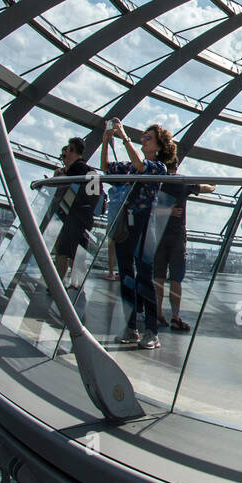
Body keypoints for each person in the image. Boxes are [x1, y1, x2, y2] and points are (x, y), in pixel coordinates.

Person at [101, 118, 172, 350]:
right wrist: (105, 141)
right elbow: (106, 167)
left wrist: (123, 135)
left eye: (148, 137)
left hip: (144, 223)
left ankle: (151, 330)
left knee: (144, 276)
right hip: (127, 224)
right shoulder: (133, 165)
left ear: (159, 146)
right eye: (143, 137)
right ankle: (131, 328)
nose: (144, 140)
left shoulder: (158, 168)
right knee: (127, 276)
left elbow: (141, 167)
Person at [152, 161, 214, 332]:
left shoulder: (157, 182)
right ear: (176, 166)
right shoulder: (183, 182)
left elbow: (149, 208)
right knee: (176, 279)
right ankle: (175, 317)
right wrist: (213, 185)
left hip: (159, 235)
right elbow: (205, 188)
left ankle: (157, 313)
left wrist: (165, 212)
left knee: (158, 276)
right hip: (177, 236)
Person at [52, 137, 98, 290]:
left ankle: (57, 285)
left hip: (74, 217)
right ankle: (77, 284)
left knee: (63, 251)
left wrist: (59, 174)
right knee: (77, 254)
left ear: (73, 151)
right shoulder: (89, 169)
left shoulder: (77, 168)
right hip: (86, 217)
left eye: (67, 153)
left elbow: (62, 182)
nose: (65, 158)